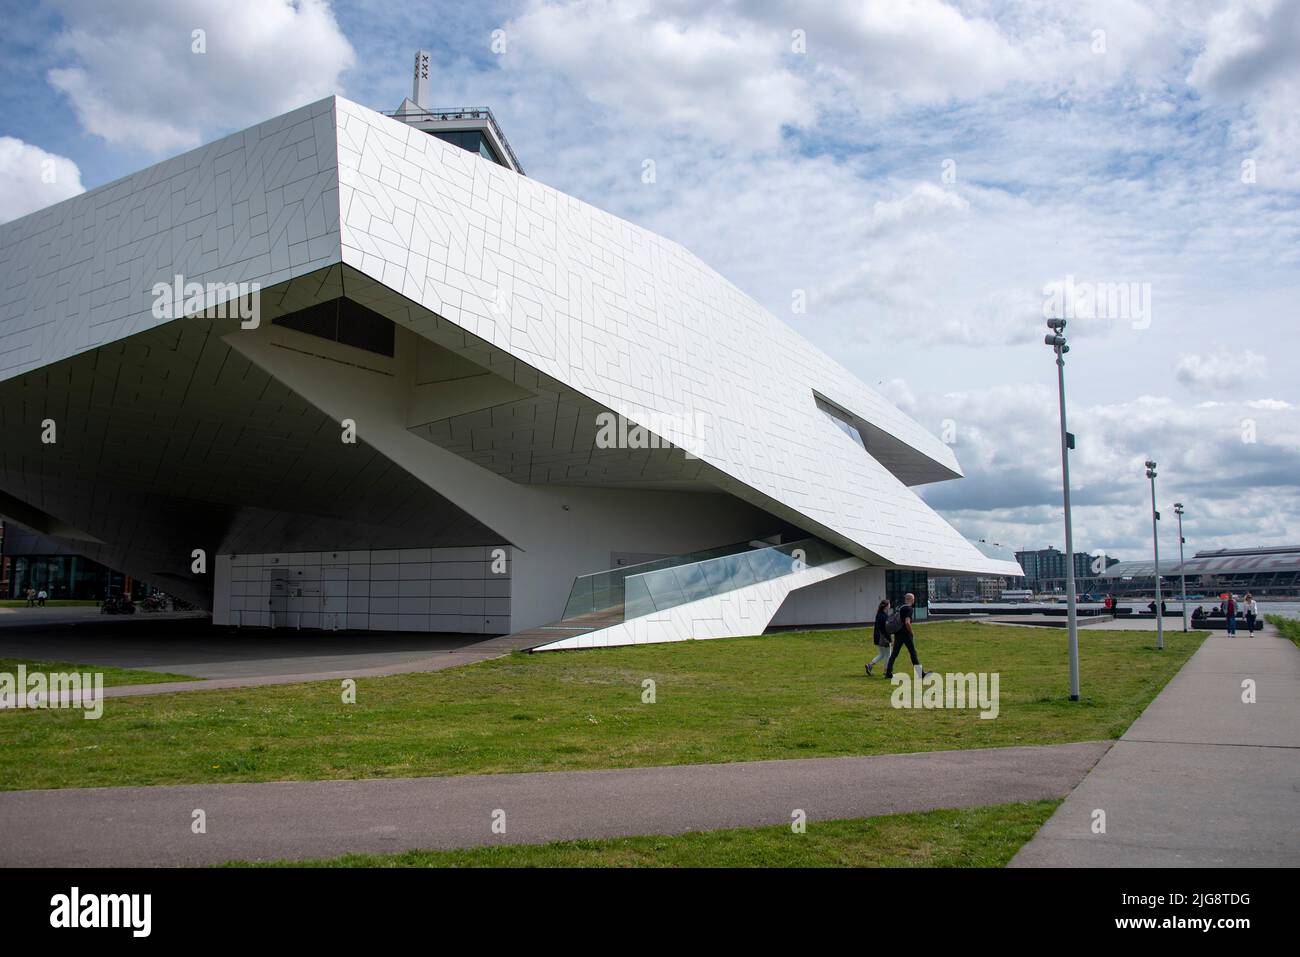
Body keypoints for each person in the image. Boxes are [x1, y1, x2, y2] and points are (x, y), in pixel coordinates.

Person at [884, 592, 931, 681]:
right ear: (911, 600)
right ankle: (921, 674)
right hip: (906, 634)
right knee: (913, 653)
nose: (914, 601)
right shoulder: (909, 609)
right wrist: (911, 632)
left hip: (898, 633)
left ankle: (888, 673)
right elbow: (907, 622)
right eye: (913, 599)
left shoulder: (900, 608)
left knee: (894, 654)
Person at [866, 599, 892, 676]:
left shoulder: (879, 614)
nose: (890, 606)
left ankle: (870, 665)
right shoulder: (884, 616)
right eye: (889, 604)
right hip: (883, 637)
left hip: (877, 636)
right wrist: (890, 639)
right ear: (886, 606)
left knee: (882, 654)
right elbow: (885, 629)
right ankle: (886, 671)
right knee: (888, 655)